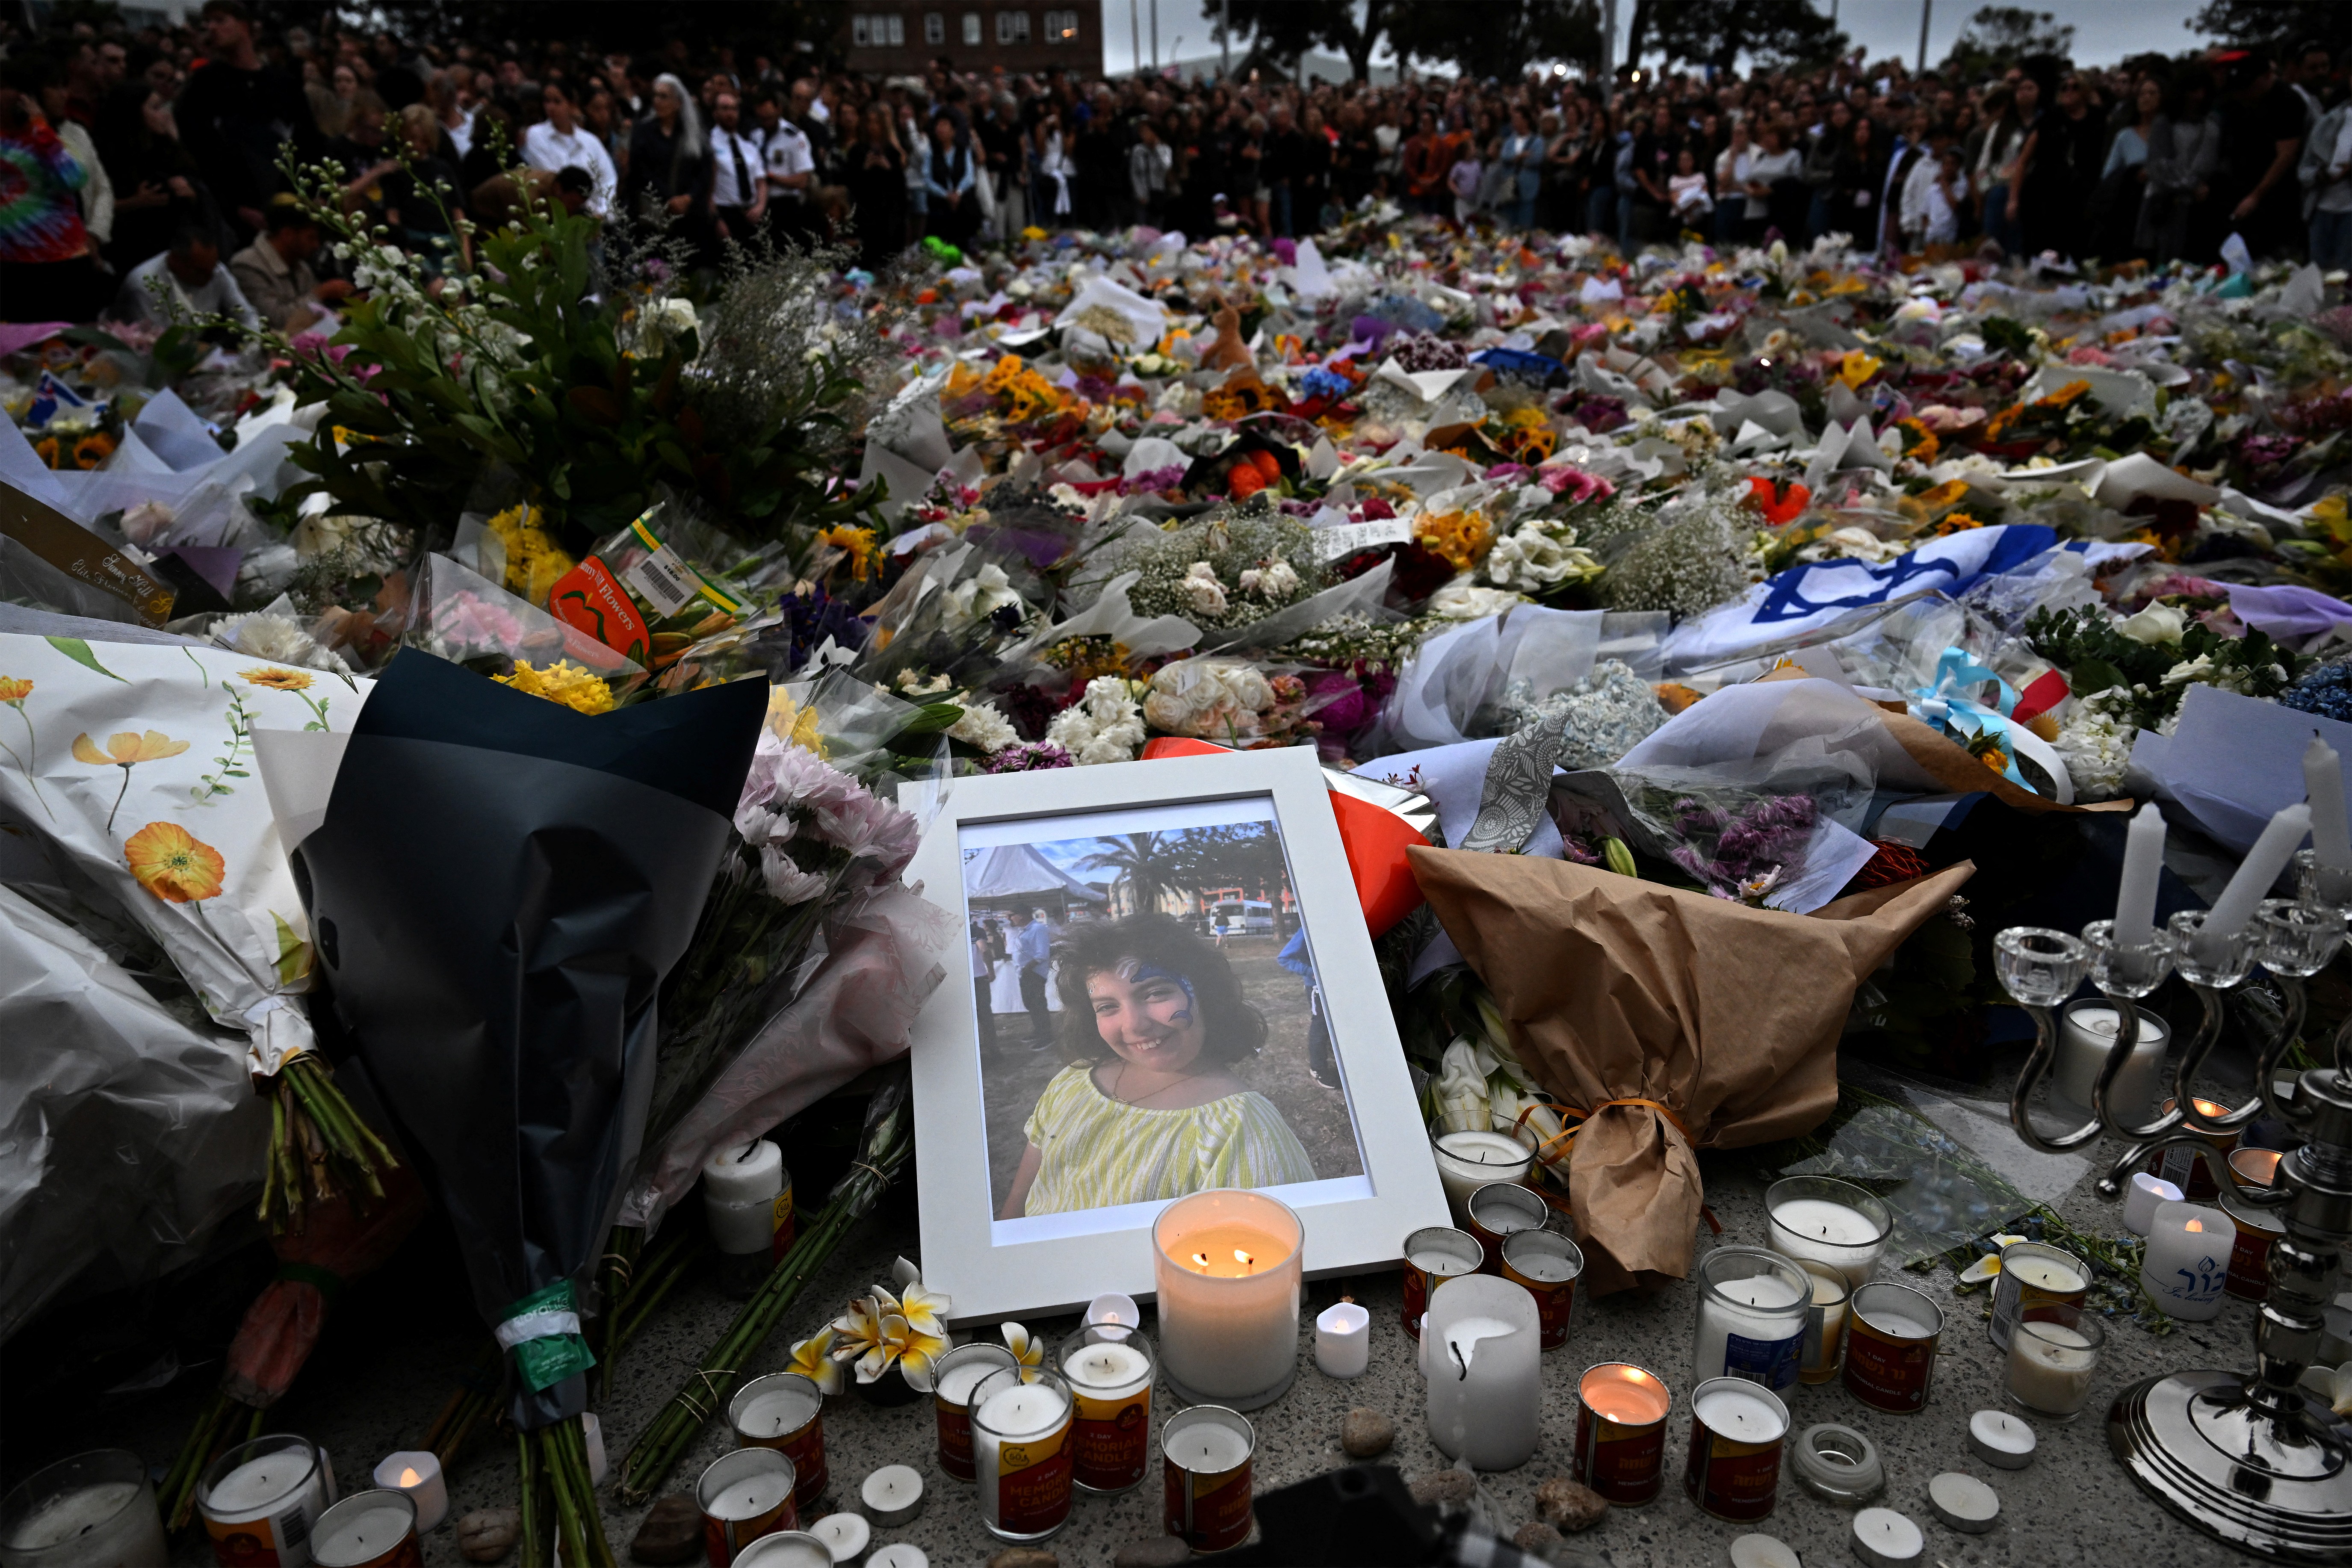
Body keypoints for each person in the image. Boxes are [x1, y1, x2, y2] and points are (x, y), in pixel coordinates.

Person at [996, 914, 1317, 1218]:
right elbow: (1019, 1201)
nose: (1134, 1025)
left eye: (1155, 993)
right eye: (1108, 1006)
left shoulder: (1242, 1129)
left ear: (1205, 993)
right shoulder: (1073, 1080)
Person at [174, 0, 316, 241]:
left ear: (245, 26)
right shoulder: (204, 85)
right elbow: (200, 150)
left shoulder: (283, 83)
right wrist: (233, 205)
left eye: (220, 20)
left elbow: (308, 140)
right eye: (207, 22)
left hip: (290, 207)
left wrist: (307, 195)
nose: (212, 28)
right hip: (235, 218)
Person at [1, 53, 98, 320]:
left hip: (61, 261)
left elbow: (73, 179)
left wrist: (41, 128)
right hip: (12, 265)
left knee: (71, 347)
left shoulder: (49, 137)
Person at [2218, 52, 2307, 263]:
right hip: (2241, 185)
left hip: (2276, 196)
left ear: (2267, 76)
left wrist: (2256, 196)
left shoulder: (2287, 101)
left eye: (2250, 85)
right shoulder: (2240, 102)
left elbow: (2286, 154)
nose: (2245, 91)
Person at [230, 199, 349, 330]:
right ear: (288, 235)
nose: (316, 246)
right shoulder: (247, 266)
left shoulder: (300, 264)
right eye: (311, 238)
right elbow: (276, 321)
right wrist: (321, 293)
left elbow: (320, 312)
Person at [113, 223, 260, 329]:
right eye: (201, 272)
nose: (210, 278)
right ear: (175, 261)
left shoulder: (216, 272)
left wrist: (258, 342)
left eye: (213, 267)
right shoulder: (144, 285)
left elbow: (247, 316)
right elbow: (153, 342)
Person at [621, 71, 708, 232]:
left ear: (678, 103)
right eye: (656, 96)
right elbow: (640, 170)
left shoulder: (690, 134)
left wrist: (689, 198)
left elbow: (703, 171)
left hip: (689, 214)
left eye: (664, 97)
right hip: (652, 211)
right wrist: (669, 198)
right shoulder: (643, 131)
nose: (657, 101)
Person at [522, 80, 616, 217]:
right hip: (555, 211)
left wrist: (602, 211)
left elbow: (608, 180)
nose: (551, 107)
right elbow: (552, 177)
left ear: (571, 105)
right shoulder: (536, 134)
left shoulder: (590, 141)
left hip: (595, 215)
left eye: (557, 102)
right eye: (547, 102)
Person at [841, 103, 904, 270]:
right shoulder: (857, 151)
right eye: (869, 122)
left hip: (887, 209)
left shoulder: (891, 152)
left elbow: (900, 185)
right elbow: (851, 182)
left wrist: (888, 168)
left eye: (877, 123)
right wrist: (866, 168)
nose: (873, 127)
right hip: (865, 208)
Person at [706, 88, 765, 247]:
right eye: (725, 109)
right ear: (715, 113)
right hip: (725, 211)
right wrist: (716, 219)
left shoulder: (748, 147)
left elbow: (761, 181)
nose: (730, 114)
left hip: (750, 213)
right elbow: (705, 186)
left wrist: (760, 207)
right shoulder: (709, 144)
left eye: (734, 109)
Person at [2303, 89, 2352, 271]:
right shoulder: (2330, 120)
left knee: (2346, 274)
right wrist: (2320, 175)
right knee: (2317, 271)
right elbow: (2305, 168)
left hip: (2349, 210)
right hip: (2321, 206)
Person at [922, 111, 978, 247]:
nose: (940, 129)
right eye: (938, 125)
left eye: (945, 125)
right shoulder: (931, 153)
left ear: (953, 131)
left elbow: (969, 176)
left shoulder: (964, 151)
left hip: (962, 205)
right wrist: (946, 195)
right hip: (940, 207)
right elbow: (927, 180)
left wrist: (958, 193)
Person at [1007, 905, 1054, 1048]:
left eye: (1011, 915)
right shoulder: (1024, 931)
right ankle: (1039, 1030)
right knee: (1030, 1004)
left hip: (1034, 973)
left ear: (1021, 915)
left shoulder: (1038, 929)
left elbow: (1043, 954)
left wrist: (1028, 968)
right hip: (1025, 973)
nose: (1010, 919)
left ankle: (1047, 1035)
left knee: (1037, 1004)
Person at [970, 920, 997, 1055]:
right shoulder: (976, 931)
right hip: (979, 978)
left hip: (960, 979)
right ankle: (994, 1052)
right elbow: (985, 950)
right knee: (986, 1016)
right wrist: (991, 970)